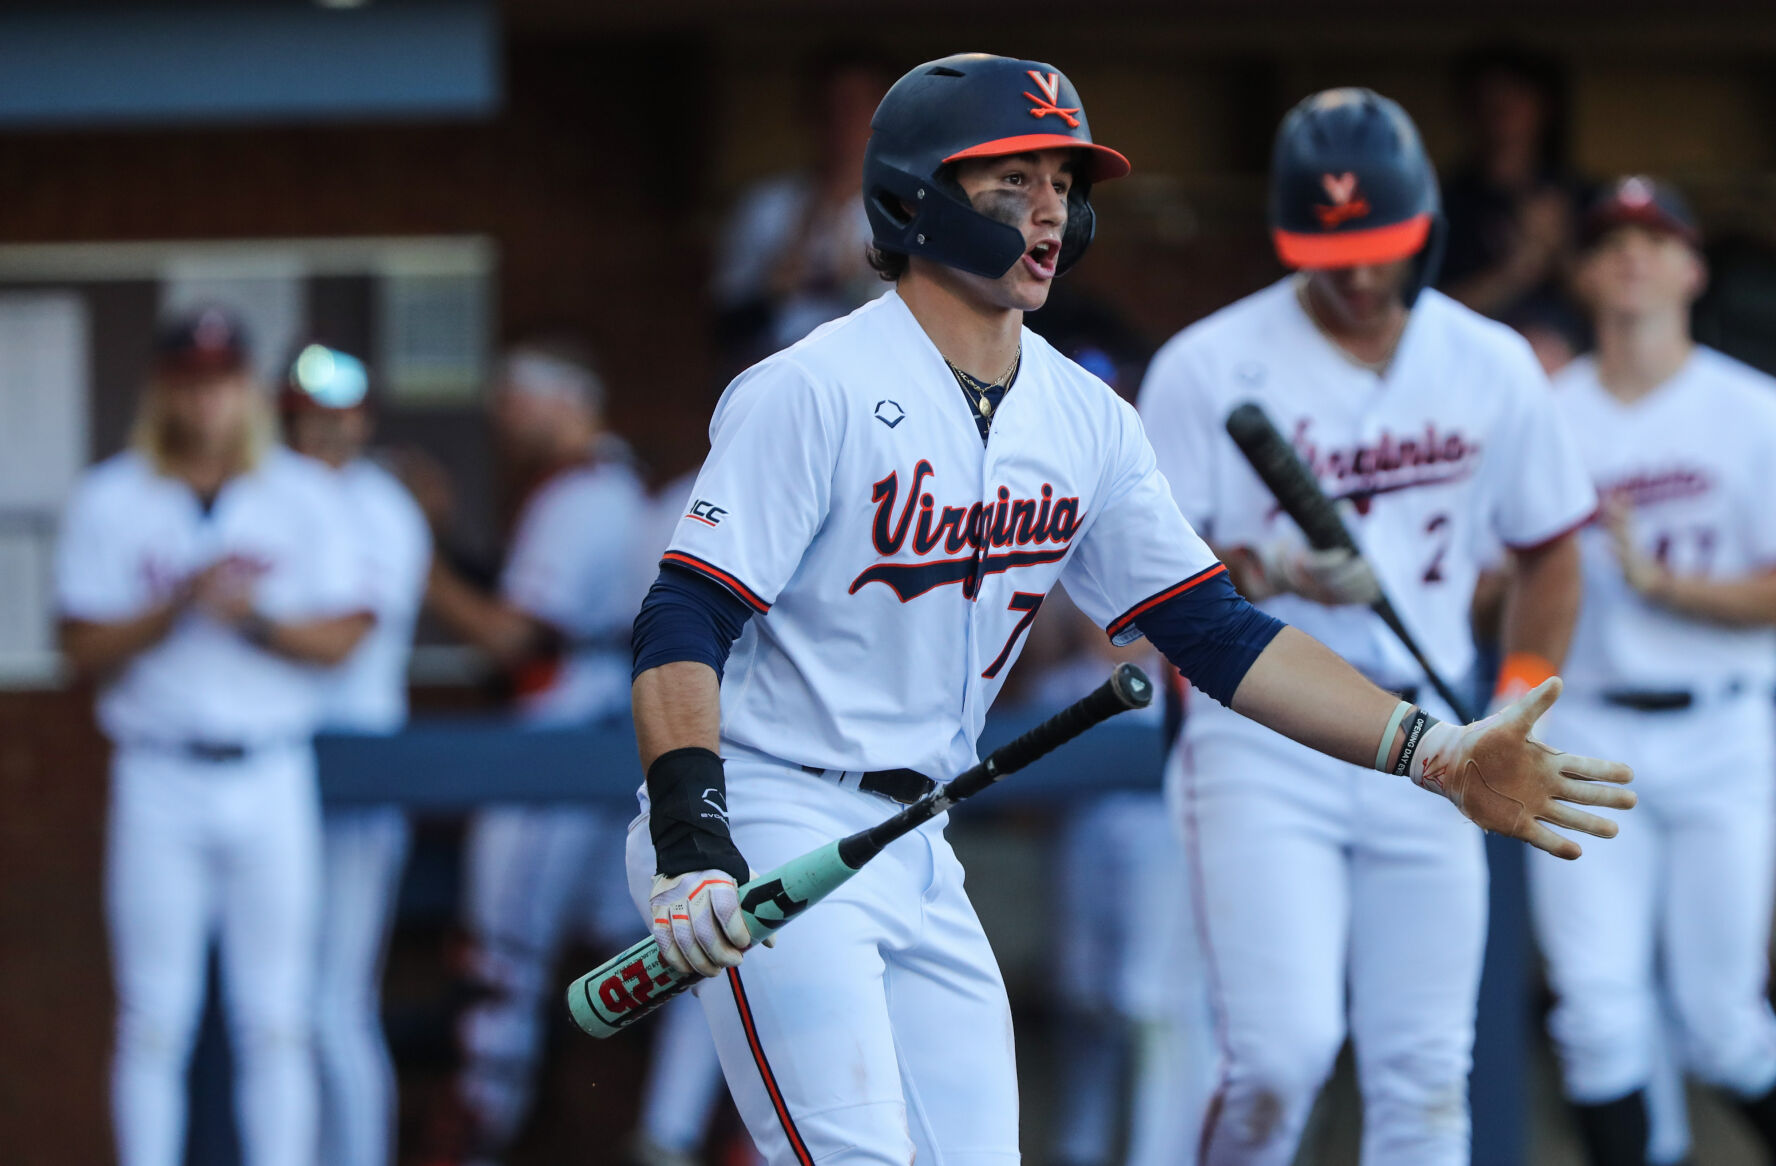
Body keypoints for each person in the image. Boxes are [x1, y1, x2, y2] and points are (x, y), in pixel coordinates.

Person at [622, 56, 1634, 1166]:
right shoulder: (810, 387)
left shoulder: (1083, 415)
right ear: (917, 196)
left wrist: (1432, 749)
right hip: (774, 815)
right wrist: (693, 839)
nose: (1052, 207)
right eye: (1013, 181)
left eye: (1063, 180)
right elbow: (685, 615)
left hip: (919, 834)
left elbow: (1220, 635)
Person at [1136, 88, 1601, 1165]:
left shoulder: (1486, 360)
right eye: (1327, 251)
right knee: (1279, 1057)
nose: (1354, 276)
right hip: (1263, 734)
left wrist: (1515, 697)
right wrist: (1272, 565)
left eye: (1379, 249)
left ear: (1427, 227)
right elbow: (1153, 581)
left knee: (1427, 1073)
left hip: (1435, 724)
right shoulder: (1207, 364)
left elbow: (1553, 551)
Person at [56, 307, 372, 1166]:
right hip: (158, 771)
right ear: (165, 388)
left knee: (276, 1016)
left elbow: (349, 630)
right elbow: (77, 644)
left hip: (270, 770)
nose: (208, 399)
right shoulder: (113, 494)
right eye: (191, 380)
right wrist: (177, 605)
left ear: (247, 388)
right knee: (154, 1017)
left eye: (223, 378)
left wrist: (255, 620)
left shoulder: (302, 492)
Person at [1527, 176, 1776, 1166]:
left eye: (1655, 237)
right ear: (1584, 273)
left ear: (1692, 267)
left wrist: (1663, 583)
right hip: (1585, 722)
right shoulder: (1547, 409)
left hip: (1722, 725)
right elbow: (1494, 578)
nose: (1632, 256)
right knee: (1596, 1013)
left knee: (1721, 1019)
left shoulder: (1752, 407)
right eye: (1609, 241)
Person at [424, 343, 721, 1165]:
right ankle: (665, 1130)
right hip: (625, 742)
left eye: (515, 398)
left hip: (570, 738)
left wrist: (419, 559)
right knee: (672, 947)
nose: (502, 416)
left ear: (563, 400)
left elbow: (516, 639)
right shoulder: (627, 488)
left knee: (503, 960)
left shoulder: (587, 494)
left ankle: (496, 1138)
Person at [279, 343, 432, 1166]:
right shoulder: (274, 490)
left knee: (335, 1003)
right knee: (277, 1007)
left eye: (338, 412)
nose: (324, 428)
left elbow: (346, 633)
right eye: (307, 413)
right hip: (276, 767)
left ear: (363, 417)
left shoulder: (382, 506)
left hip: (362, 761)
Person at [711, 47, 893, 367]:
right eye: (831, 107)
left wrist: (857, 282)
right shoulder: (765, 205)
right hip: (777, 373)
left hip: (876, 378)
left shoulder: (909, 208)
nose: (843, 122)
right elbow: (722, 325)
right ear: (808, 113)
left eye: (857, 106)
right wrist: (771, 288)